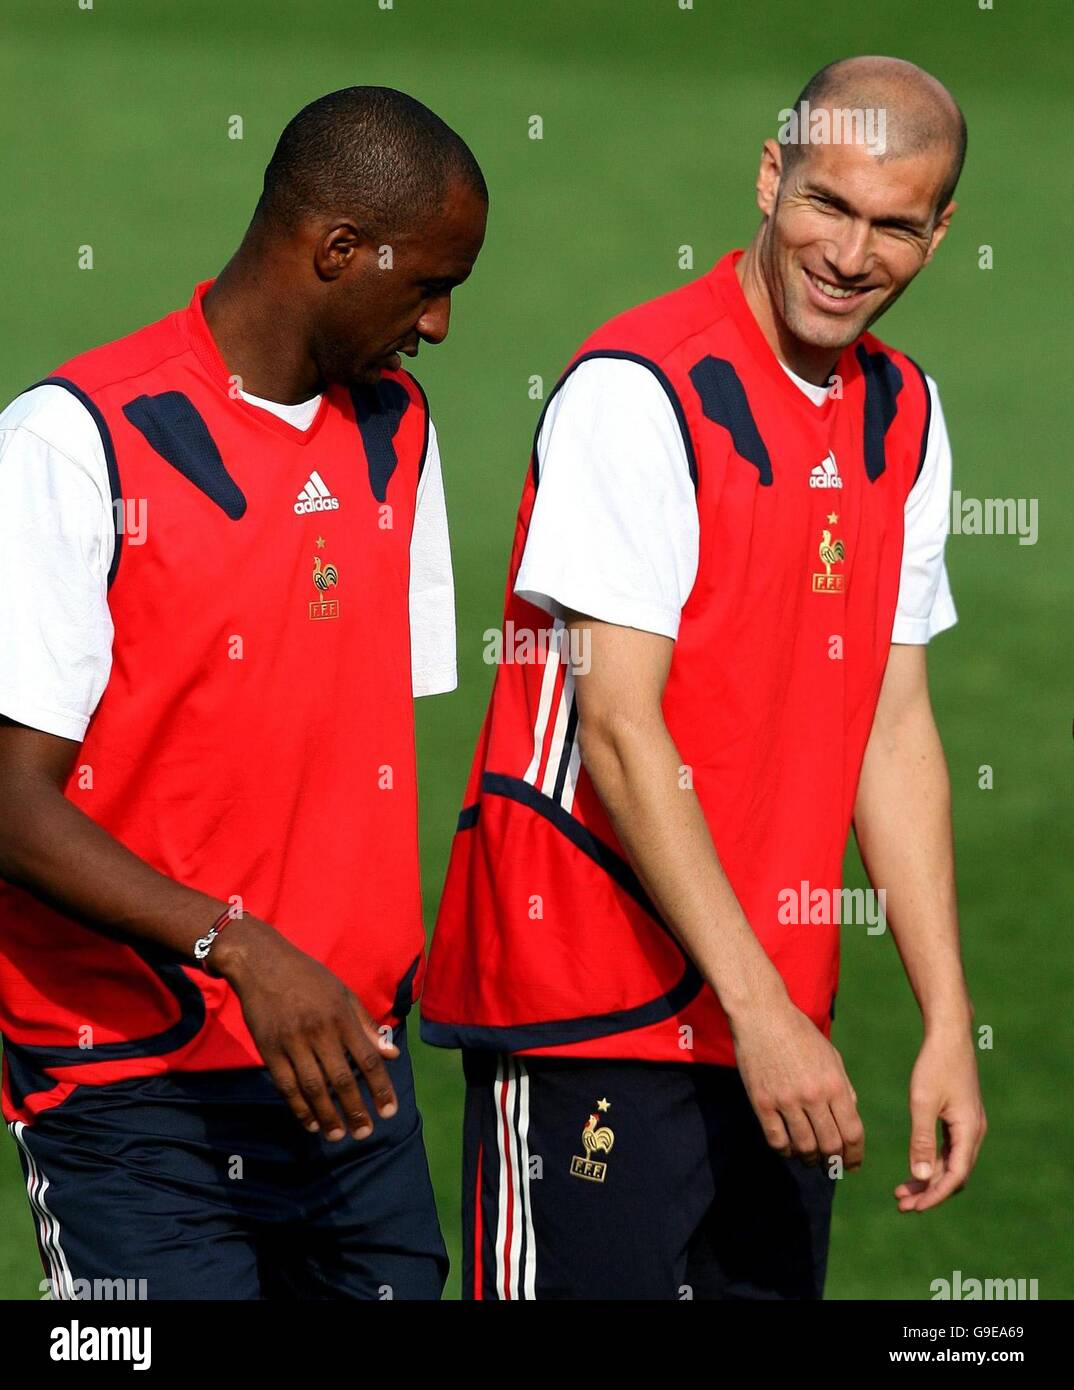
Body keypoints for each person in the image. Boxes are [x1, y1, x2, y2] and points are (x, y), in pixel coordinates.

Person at [422, 56, 986, 1301]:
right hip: (592, 1013)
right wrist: (764, 1012)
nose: (851, 253)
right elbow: (620, 735)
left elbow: (892, 726)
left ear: (940, 234)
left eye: (895, 224)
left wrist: (944, 1018)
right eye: (826, 204)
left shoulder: (905, 416)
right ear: (769, 173)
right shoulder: (642, 391)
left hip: (777, 1027)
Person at [0, 85, 487, 1300]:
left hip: (344, 1076)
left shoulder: (399, 432)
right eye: (430, 284)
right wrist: (238, 945)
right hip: (132, 1088)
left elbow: (345, 745)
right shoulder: (71, 446)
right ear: (334, 251)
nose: (436, 326)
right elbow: (9, 804)